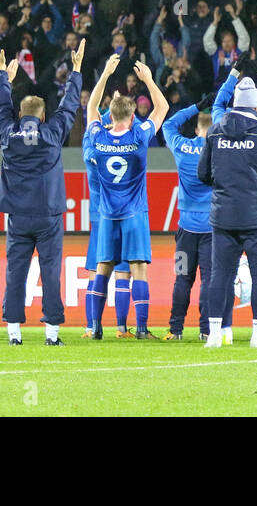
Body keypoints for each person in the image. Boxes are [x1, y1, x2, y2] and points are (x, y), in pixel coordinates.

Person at [0, 39, 83, 346]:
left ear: (20, 113)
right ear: (43, 116)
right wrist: (76, 71)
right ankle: (51, 334)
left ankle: (14, 333)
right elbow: (70, 106)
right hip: (48, 214)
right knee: (51, 272)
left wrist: (3, 73)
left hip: (18, 215)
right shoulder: (52, 132)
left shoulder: (7, 132)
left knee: (15, 273)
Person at [198, 75, 257, 349]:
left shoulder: (215, 131)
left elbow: (202, 173)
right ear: (254, 106)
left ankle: (215, 333)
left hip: (224, 215)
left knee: (220, 275)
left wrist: (225, 185)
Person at [84, 54, 169, 340]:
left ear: (110, 115)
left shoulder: (97, 137)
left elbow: (91, 108)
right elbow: (162, 108)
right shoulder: (138, 137)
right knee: (138, 268)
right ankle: (142, 329)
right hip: (134, 214)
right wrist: (148, 79)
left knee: (103, 268)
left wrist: (105, 74)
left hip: (107, 215)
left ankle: (96, 327)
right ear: (132, 116)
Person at [161, 101, 215, 341]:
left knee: (182, 278)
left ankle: (176, 330)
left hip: (186, 229)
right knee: (209, 279)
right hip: (212, 228)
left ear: (196, 130)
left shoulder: (182, 146)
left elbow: (168, 125)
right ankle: (206, 330)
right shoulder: (219, 150)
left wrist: (193, 107)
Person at [80, 98, 132, 338]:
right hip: (123, 214)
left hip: (99, 218)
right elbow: (131, 124)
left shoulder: (91, 147)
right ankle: (121, 328)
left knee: (95, 271)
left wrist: (104, 118)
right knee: (123, 272)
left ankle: (92, 327)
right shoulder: (128, 146)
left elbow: (90, 125)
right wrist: (120, 112)